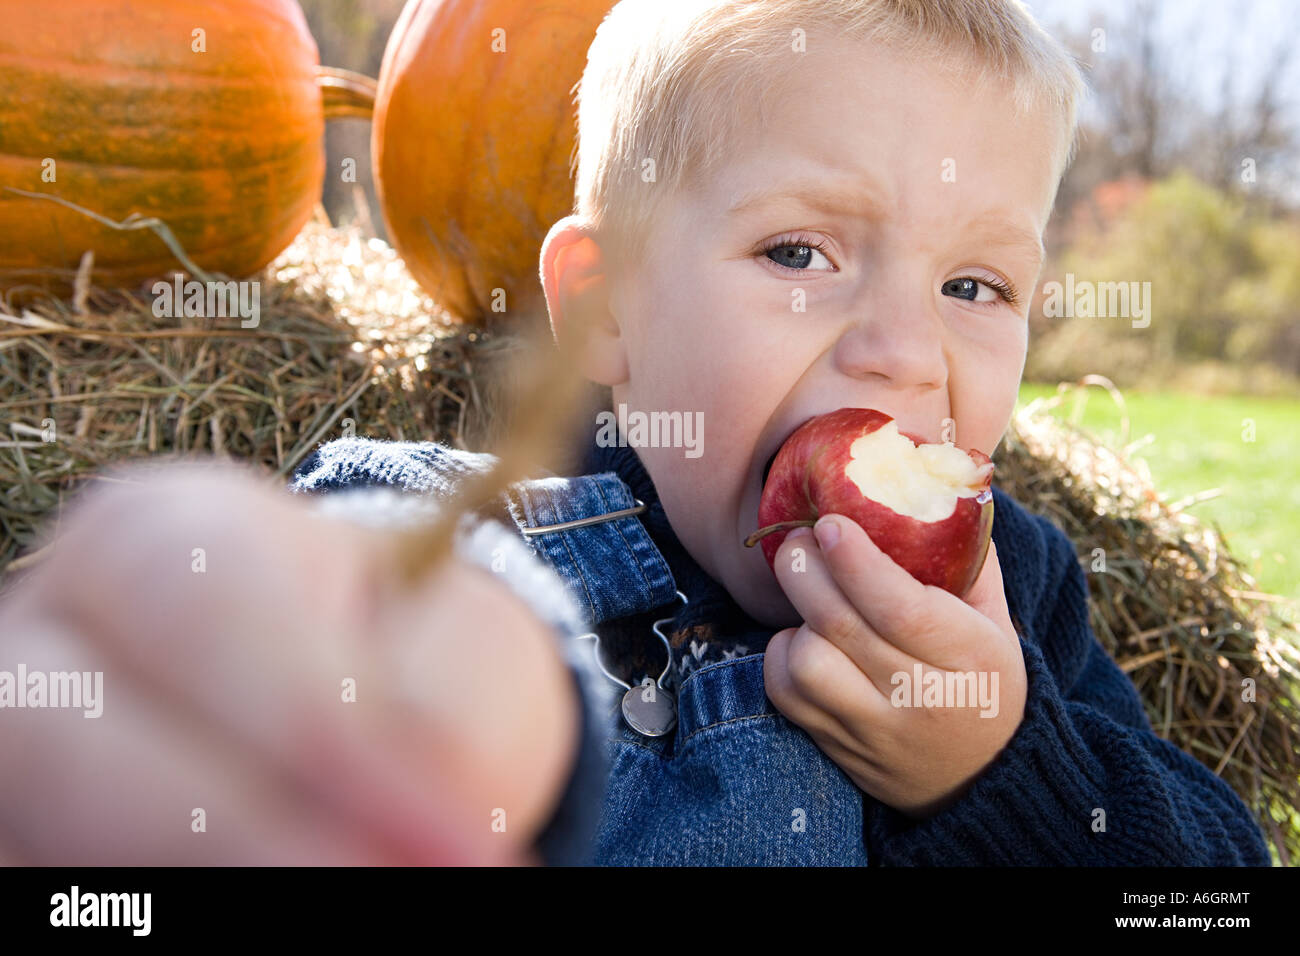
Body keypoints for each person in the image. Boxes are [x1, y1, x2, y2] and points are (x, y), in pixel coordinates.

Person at [0, 0, 1271, 865]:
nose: (901, 347)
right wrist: (446, 684)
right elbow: (415, 580)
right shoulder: (502, 529)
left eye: (972, 287)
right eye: (798, 251)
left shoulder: (1020, 599)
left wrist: (998, 768)